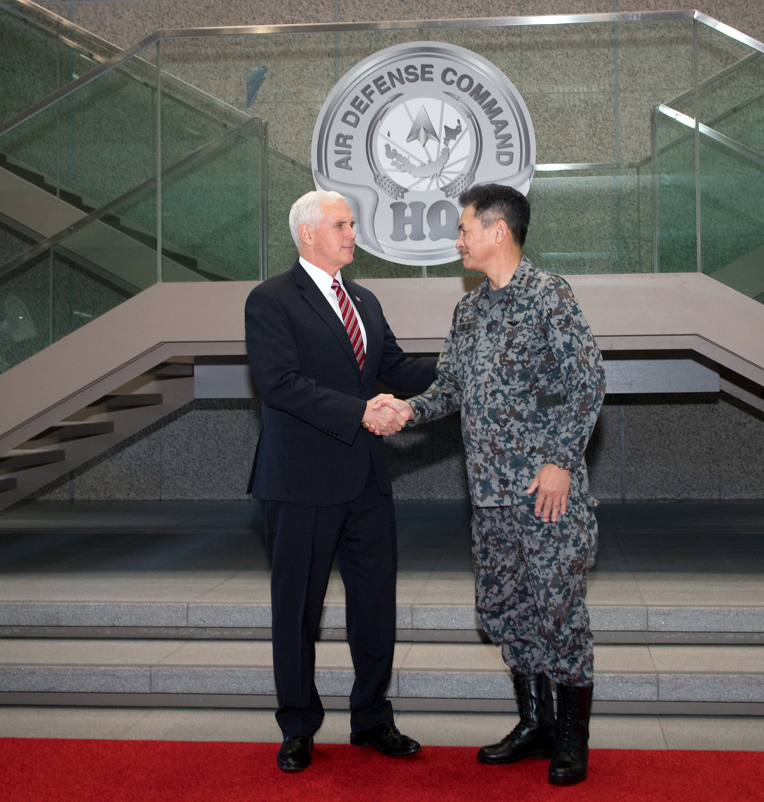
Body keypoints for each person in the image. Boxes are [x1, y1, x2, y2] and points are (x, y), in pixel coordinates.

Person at [373, 184, 605, 786]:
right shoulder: (469, 311)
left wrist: (559, 460)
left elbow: (588, 384)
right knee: (505, 610)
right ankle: (536, 724)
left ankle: (573, 740)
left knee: (559, 610)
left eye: (464, 230)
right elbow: (449, 389)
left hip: (545, 493)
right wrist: (405, 410)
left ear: (498, 231)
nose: (457, 241)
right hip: (490, 496)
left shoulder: (549, 296)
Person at [245, 190, 437, 773]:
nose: (354, 233)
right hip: (300, 481)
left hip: (368, 482)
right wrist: (360, 412)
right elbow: (280, 384)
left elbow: (395, 370)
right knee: (297, 611)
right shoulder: (271, 300)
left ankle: (372, 718)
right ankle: (298, 726)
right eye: (342, 224)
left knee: (375, 607)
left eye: (352, 223)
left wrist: (467, 360)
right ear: (308, 233)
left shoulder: (365, 299)